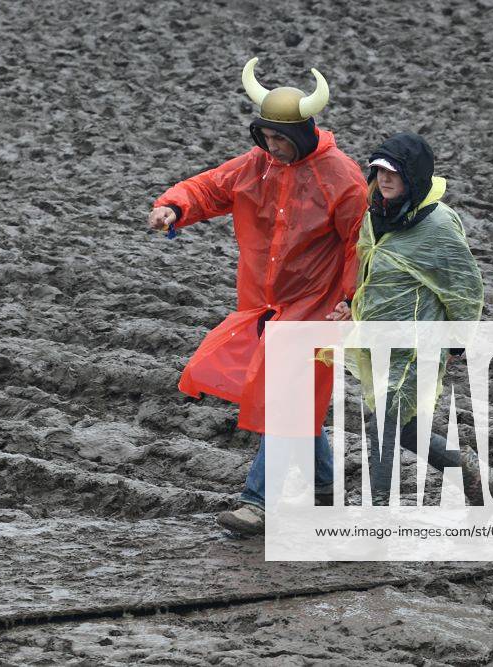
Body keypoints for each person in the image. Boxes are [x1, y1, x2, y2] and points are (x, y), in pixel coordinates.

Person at [147, 57, 368, 534]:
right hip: (262, 303)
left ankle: (257, 503)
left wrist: (351, 300)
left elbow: (360, 245)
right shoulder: (258, 165)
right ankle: (327, 490)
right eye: (267, 139)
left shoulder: (343, 178)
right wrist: (172, 206)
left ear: (305, 134)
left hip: (316, 310)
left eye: (281, 140)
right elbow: (208, 187)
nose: (273, 148)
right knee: (294, 398)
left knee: (285, 398)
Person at [332, 132, 493, 505]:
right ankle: (468, 468)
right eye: (379, 170)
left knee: (384, 421)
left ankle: (377, 515)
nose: (384, 179)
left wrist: (458, 339)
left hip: (415, 343)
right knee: (402, 426)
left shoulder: (438, 225)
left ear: (414, 176)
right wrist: (351, 303)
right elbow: (368, 267)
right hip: (375, 336)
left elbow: (465, 287)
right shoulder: (376, 214)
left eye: (394, 172)